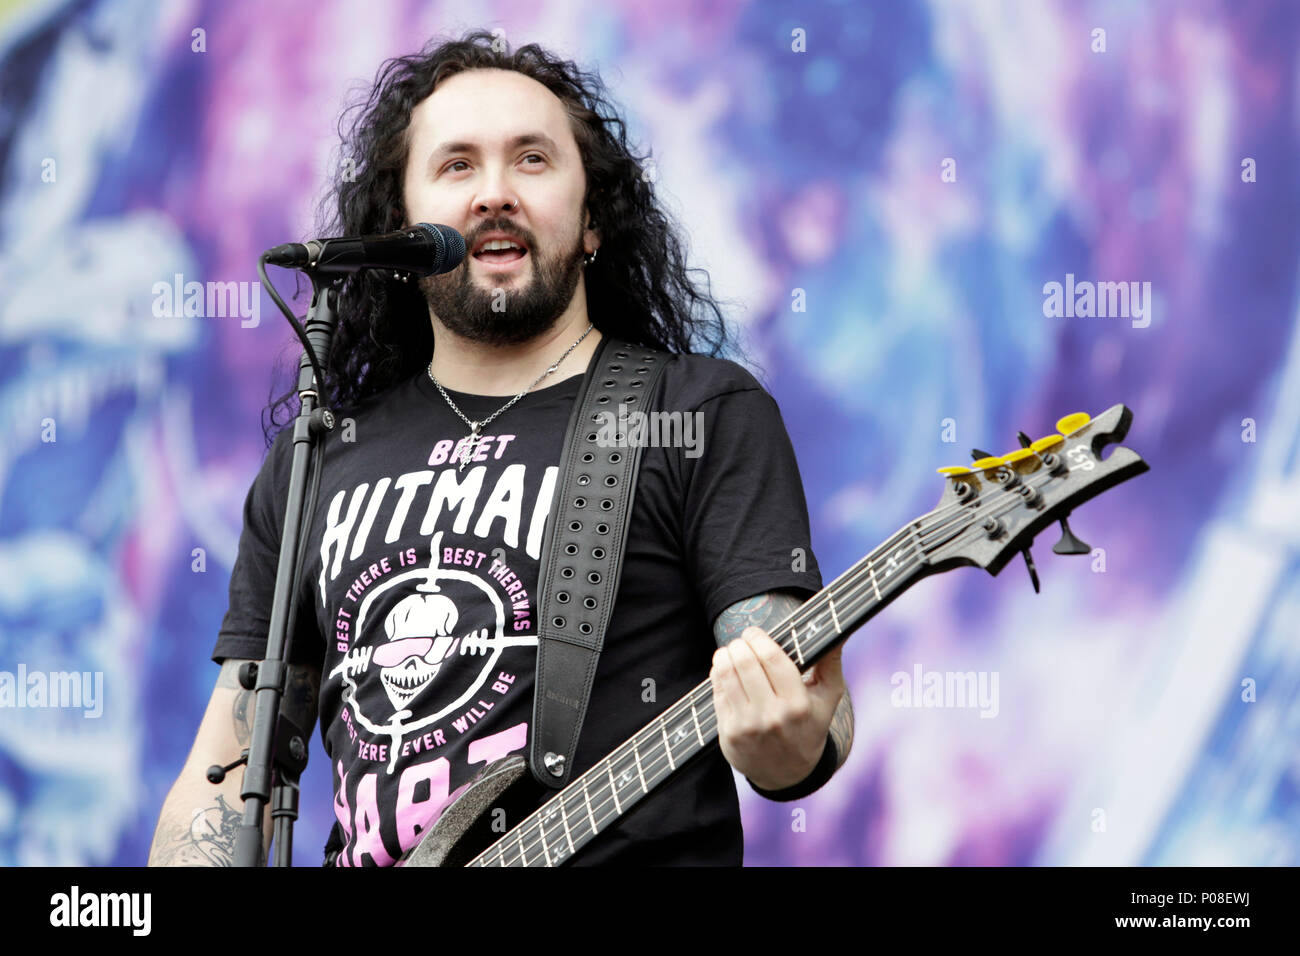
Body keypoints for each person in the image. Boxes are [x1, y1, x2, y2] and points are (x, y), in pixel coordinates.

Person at [148, 29, 854, 867]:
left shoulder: (694, 412)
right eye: (456, 166)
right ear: (403, 229)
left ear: (593, 221)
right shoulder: (321, 460)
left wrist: (789, 740)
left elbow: (815, 707)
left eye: (531, 160)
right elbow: (228, 769)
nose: (493, 193)